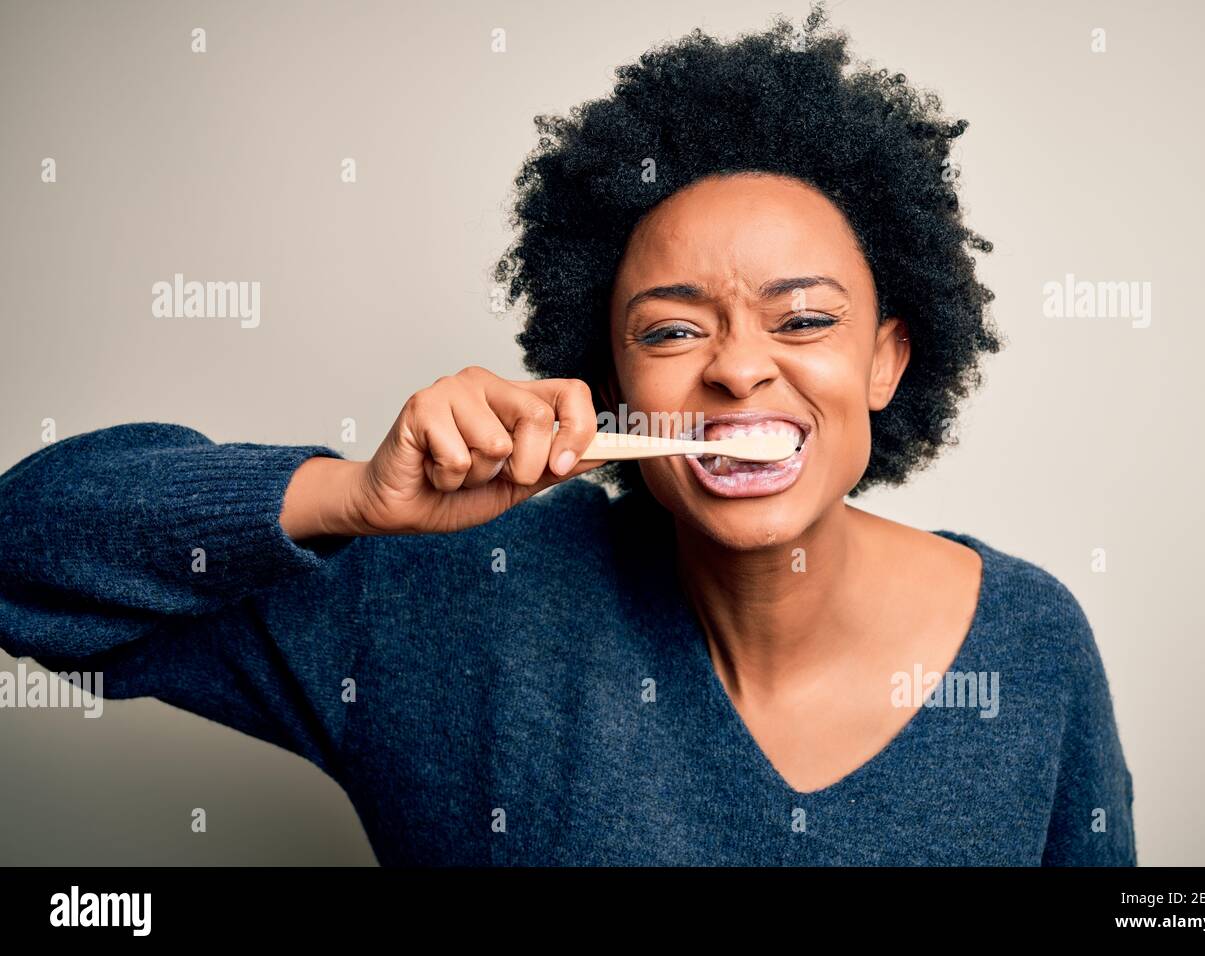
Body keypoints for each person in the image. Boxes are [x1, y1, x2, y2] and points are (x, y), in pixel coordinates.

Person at [0, 3, 1135, 865]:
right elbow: (21, 549)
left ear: (887, 358)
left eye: (802, 318)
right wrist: (352, 495)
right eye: (674, 327)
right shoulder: (436, 602)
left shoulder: (1028, 641)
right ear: (609, 379)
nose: (740, 365)